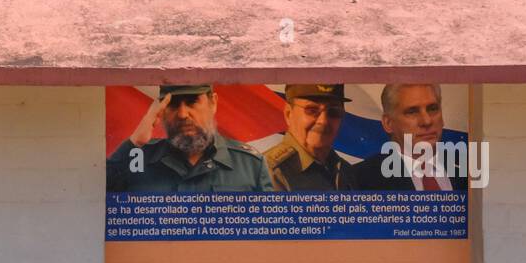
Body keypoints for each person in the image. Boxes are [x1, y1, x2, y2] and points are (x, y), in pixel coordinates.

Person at [106, 85, 273, 193]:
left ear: (213, 103)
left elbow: (269, 235)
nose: (182, 114)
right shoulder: (138, 159)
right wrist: (135, 142)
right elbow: (92, 199)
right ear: (161, 109)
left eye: (192, 102)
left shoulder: (251, 166)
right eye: (173, 104)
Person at [352, 84, 468, 192]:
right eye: (412, 112)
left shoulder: (468, 170)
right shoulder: (358, 180)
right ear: (388, 123)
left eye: (432, 109)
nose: (427, 121)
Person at [263, 84, 353, 191]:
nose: (323, 121)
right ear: (288, 114)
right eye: (312, 110)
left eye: (333, 112)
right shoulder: (267, 175)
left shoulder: (345, 171)